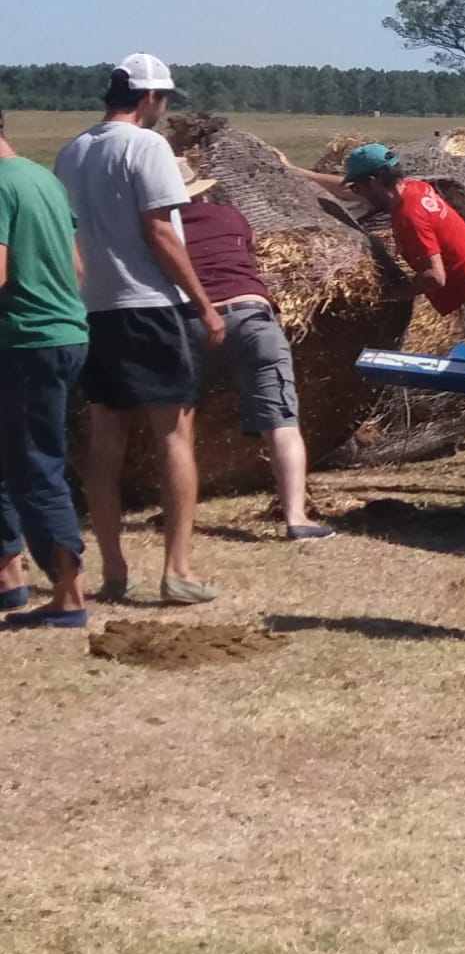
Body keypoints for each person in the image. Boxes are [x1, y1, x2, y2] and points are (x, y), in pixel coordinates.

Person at [284, 143, 465, 466]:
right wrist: (297, 172)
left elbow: (433, 277)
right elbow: (348, 194)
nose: (359, 194)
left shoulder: (409, 215)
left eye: (359, 186)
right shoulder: (414, 189)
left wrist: (385, 296)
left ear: (374, 181)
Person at [53, 55, 225, 606]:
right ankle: (177, 570)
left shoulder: (71, 151)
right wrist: (205, 305)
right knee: (174, 434)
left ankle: (113, 571)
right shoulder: (147, 148)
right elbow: (160, 231)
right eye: (165, 99)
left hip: (96, 308)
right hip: (153, 307)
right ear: (149, 97)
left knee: (106, 438)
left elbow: (72, 238)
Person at [174, 158, 331, 541]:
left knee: (177, 425)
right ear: (203, 190)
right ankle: (296, 517)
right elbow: (250, 253)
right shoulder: (230, 216)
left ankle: (179, 513)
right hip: (252, 317)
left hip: (191, 323)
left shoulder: (160, 228)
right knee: (282, 423)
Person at [0, 106, 94, 629]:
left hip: (25, 342)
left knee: (35, 465)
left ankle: (67, 594)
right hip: (62, 333)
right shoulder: (43, 179)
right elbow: (77, 264)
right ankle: (10, 578)